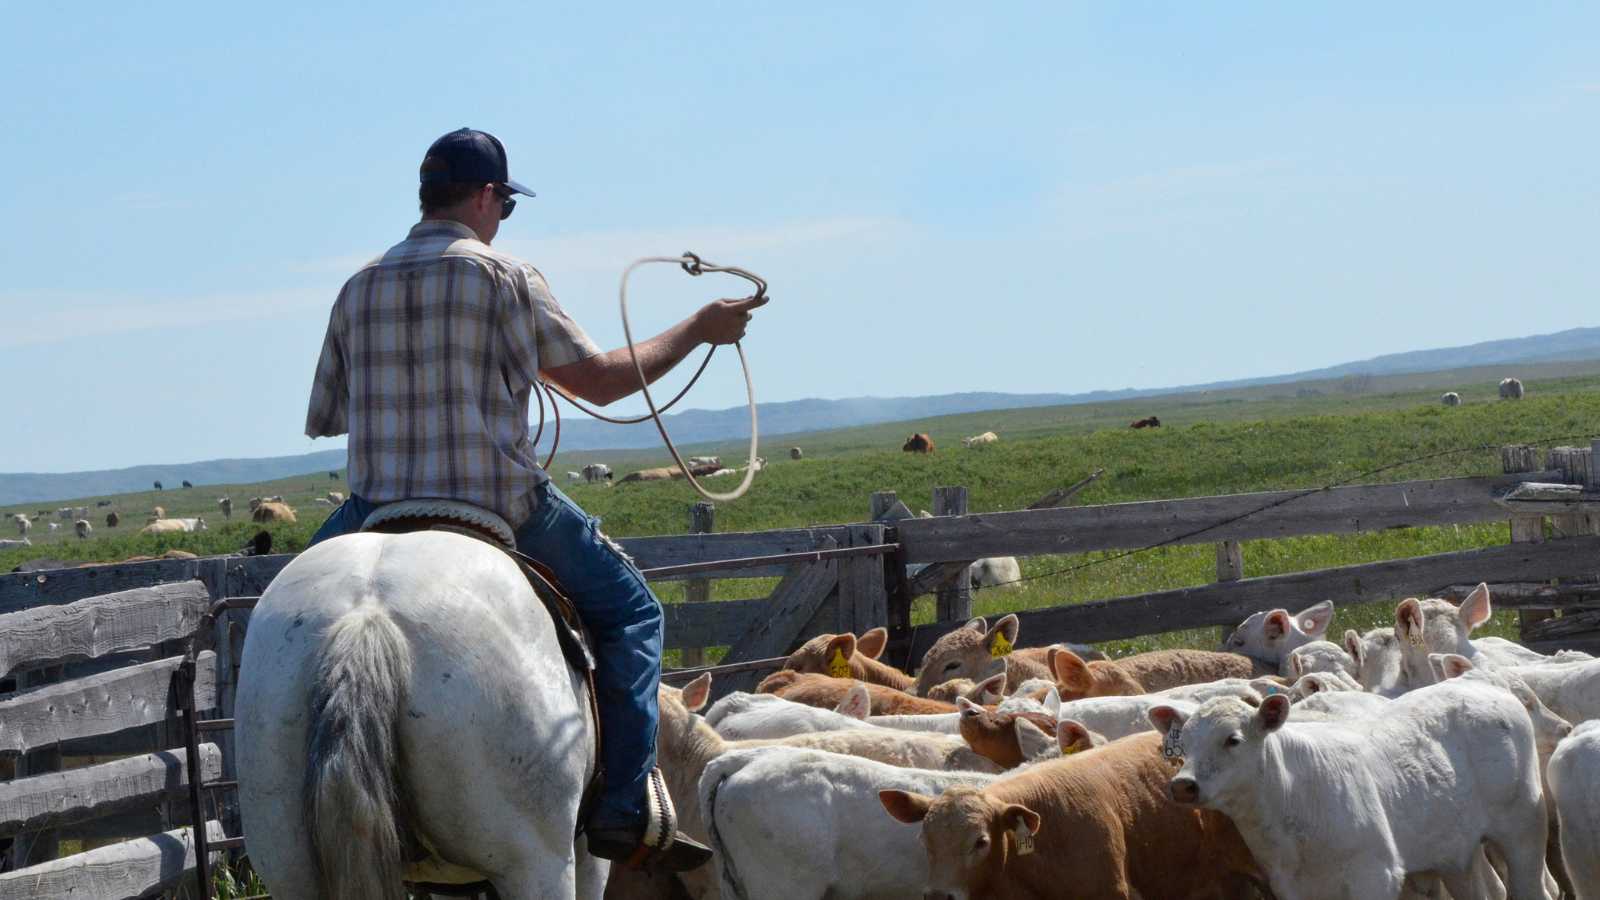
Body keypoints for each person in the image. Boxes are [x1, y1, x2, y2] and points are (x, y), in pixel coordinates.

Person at [303, 127, 765, 870]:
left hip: (374, 509)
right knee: (632, 612)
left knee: (284, 617)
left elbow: (328, 415)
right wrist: (700, 329)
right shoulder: (506, 277)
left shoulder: (358, 285)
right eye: (504, 206)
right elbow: (605, 381)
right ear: (486, 197)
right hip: (496, 505)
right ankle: (623, 803)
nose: (502, 220)